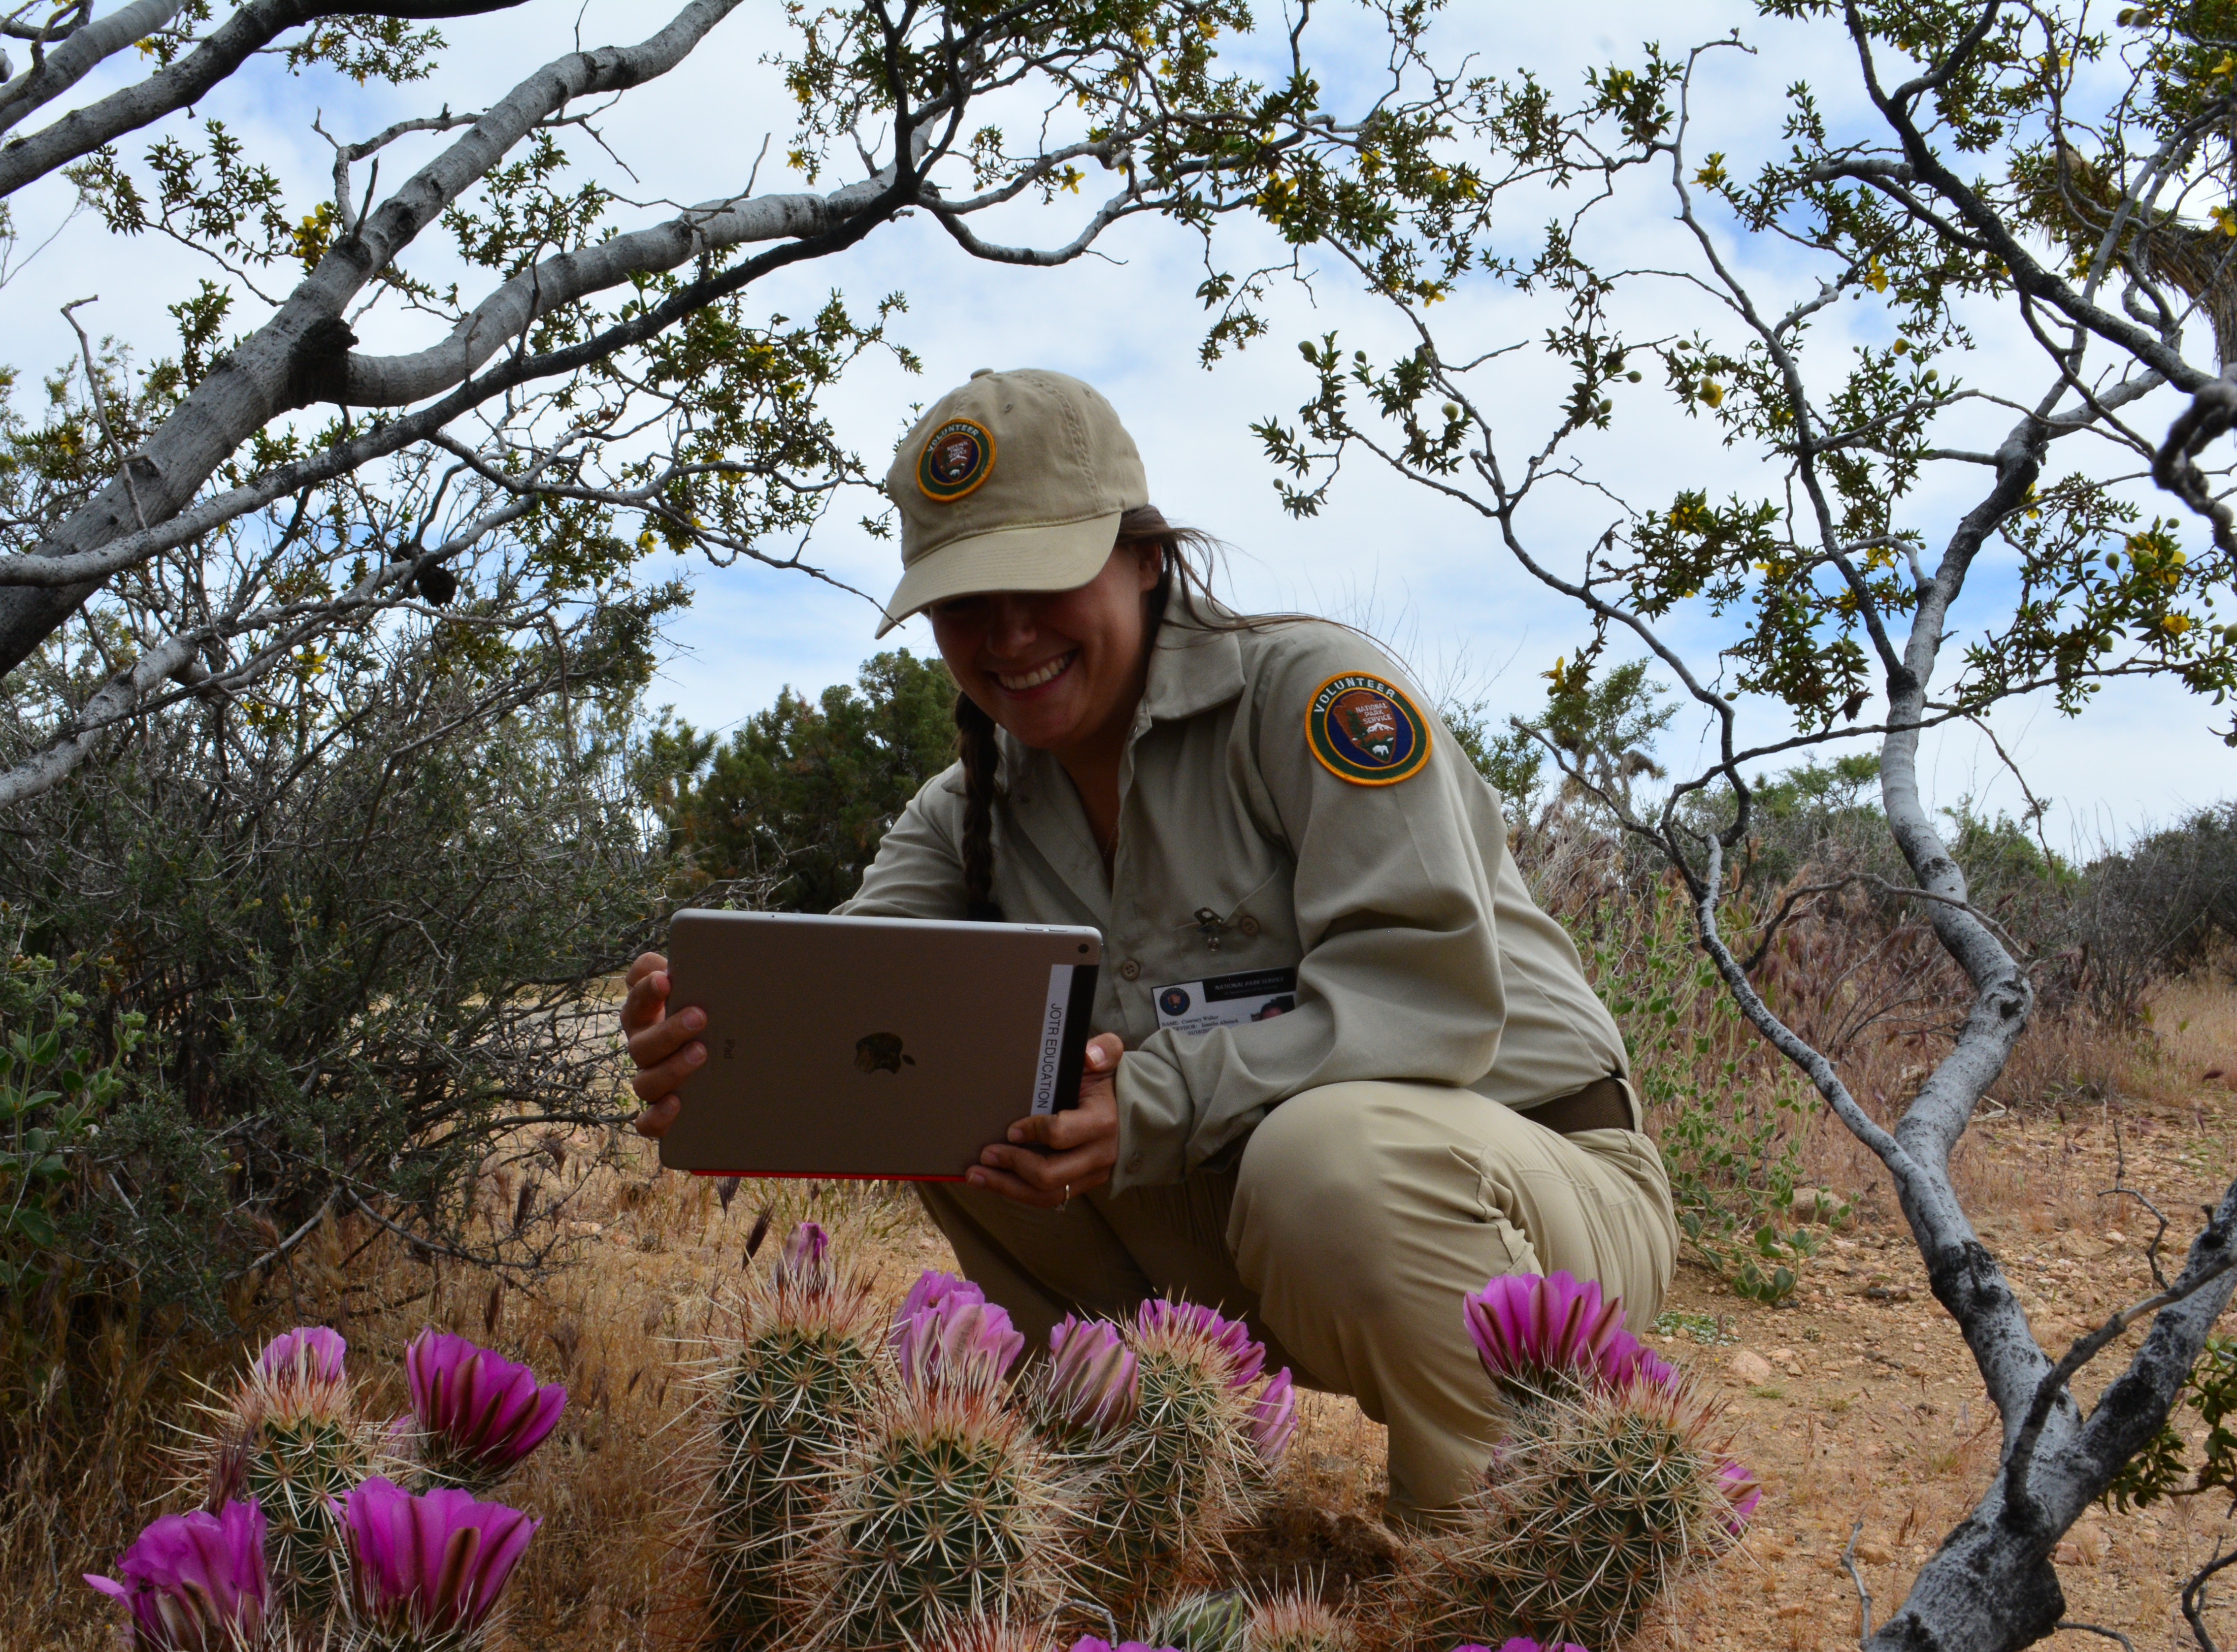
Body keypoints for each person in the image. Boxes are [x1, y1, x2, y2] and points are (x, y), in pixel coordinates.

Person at [620, 368, 1676, 1518]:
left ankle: (1496, 1570)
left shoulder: (1316, 698)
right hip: (1265, 1211)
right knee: (962, 1102)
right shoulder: (966, 806)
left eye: (1044, 576)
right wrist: (725, 1048)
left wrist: (1159, 1101)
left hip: (1529, 1200)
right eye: (966, 601)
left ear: (1145, 557)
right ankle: (1126, 1511)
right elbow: (853, 993)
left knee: (1325, 1160)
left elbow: (1427, 1003)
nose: (1009, 633)